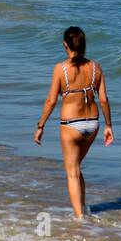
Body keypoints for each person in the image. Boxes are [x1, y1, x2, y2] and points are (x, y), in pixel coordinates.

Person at [34, 27, 113, 221]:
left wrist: (40, 125)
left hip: (71, 125)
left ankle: (79, 220)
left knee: (71, 172)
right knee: (76, 167)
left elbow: (51, 101)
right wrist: (108, 126)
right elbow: (103, 99)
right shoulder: (96, 67)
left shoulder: (60, 69)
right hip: (92, 125)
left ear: (65, 45)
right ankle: (84, 209)